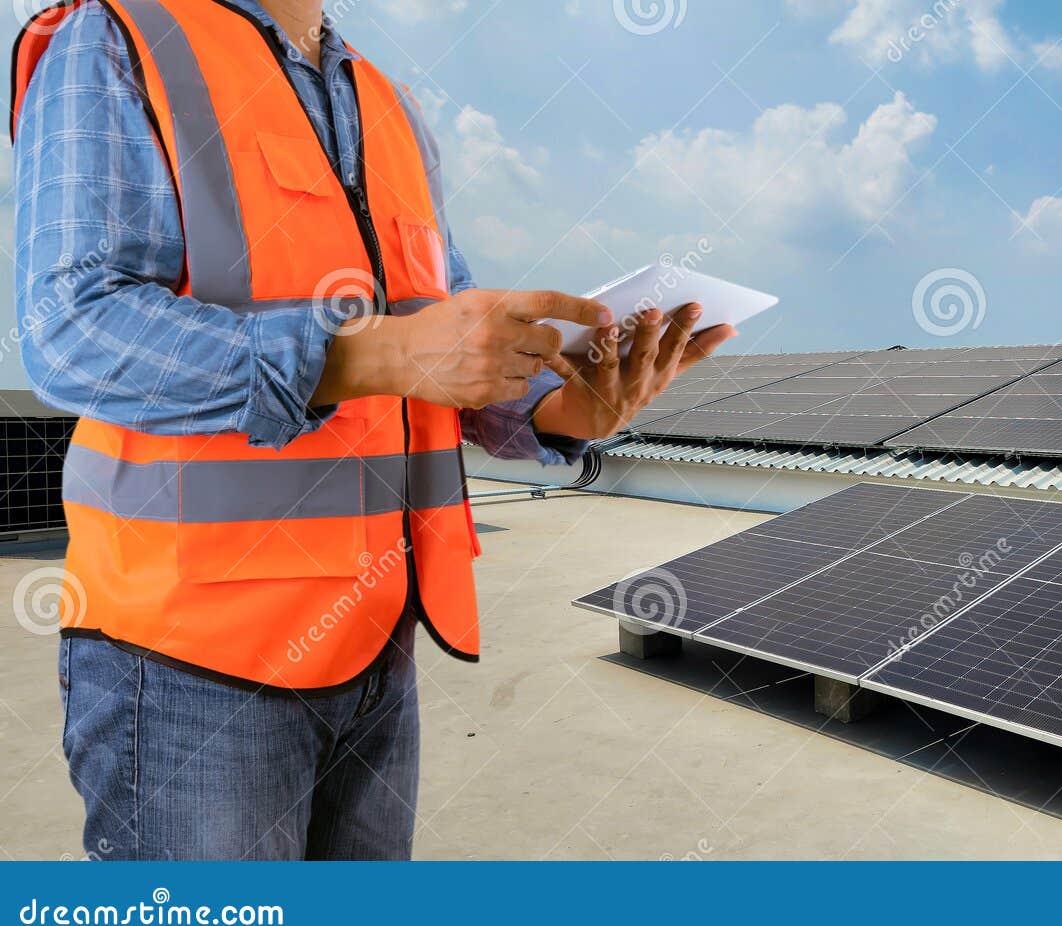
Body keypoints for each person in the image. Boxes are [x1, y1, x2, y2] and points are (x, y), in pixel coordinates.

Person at [11, 0, 733, 860]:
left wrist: (565, 408)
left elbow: (441, 343)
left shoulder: (389, 103)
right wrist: (371, 354)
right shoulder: (119, 37)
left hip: (377, 648)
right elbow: (73, 329)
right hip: (181, 660)